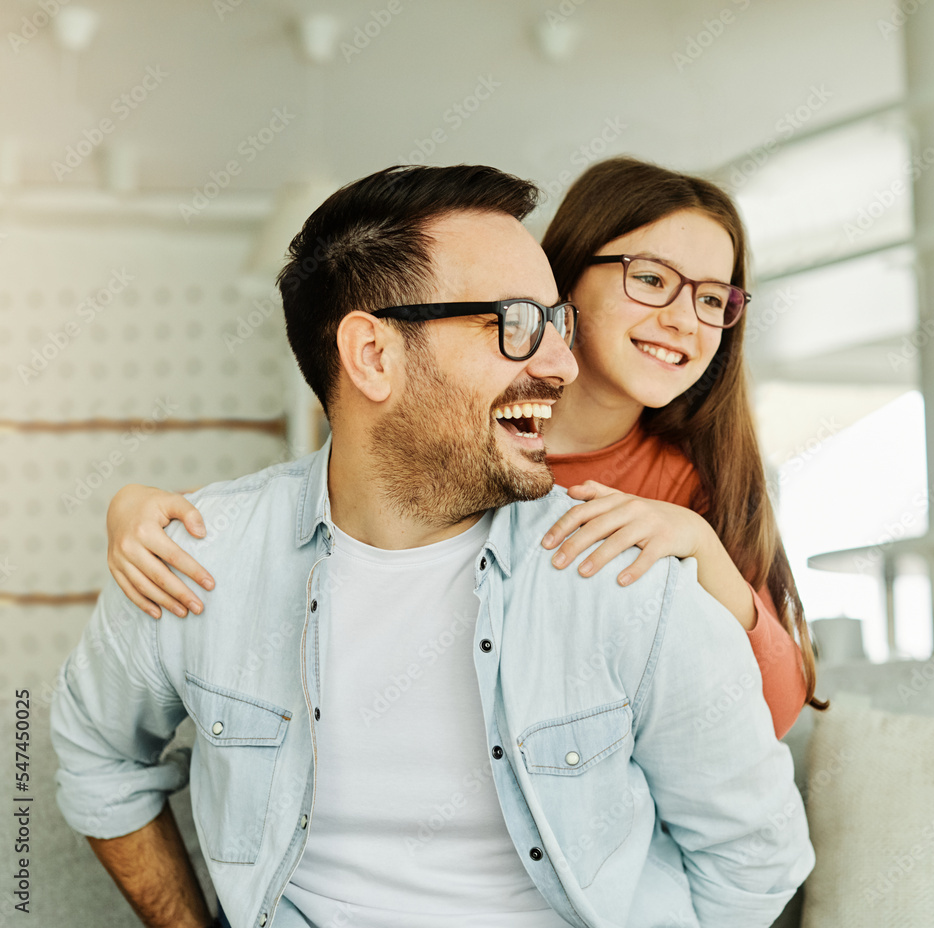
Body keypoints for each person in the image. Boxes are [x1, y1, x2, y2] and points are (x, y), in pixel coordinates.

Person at [51, 163, 812, 928]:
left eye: (557, 324)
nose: (562, 365)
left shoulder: (631, 563)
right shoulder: (196, 562)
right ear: (374, 356)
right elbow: (94, 756)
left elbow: (754, 853)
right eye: (517, 323)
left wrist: (705, 557)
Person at [104, 157, 820, 739]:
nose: (682, 319)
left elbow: (773, 713)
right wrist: (143, 509)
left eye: (712, 300)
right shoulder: (443, 434)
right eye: (653, 279)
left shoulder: (692, 483)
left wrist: (701, 548)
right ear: (559, 282)